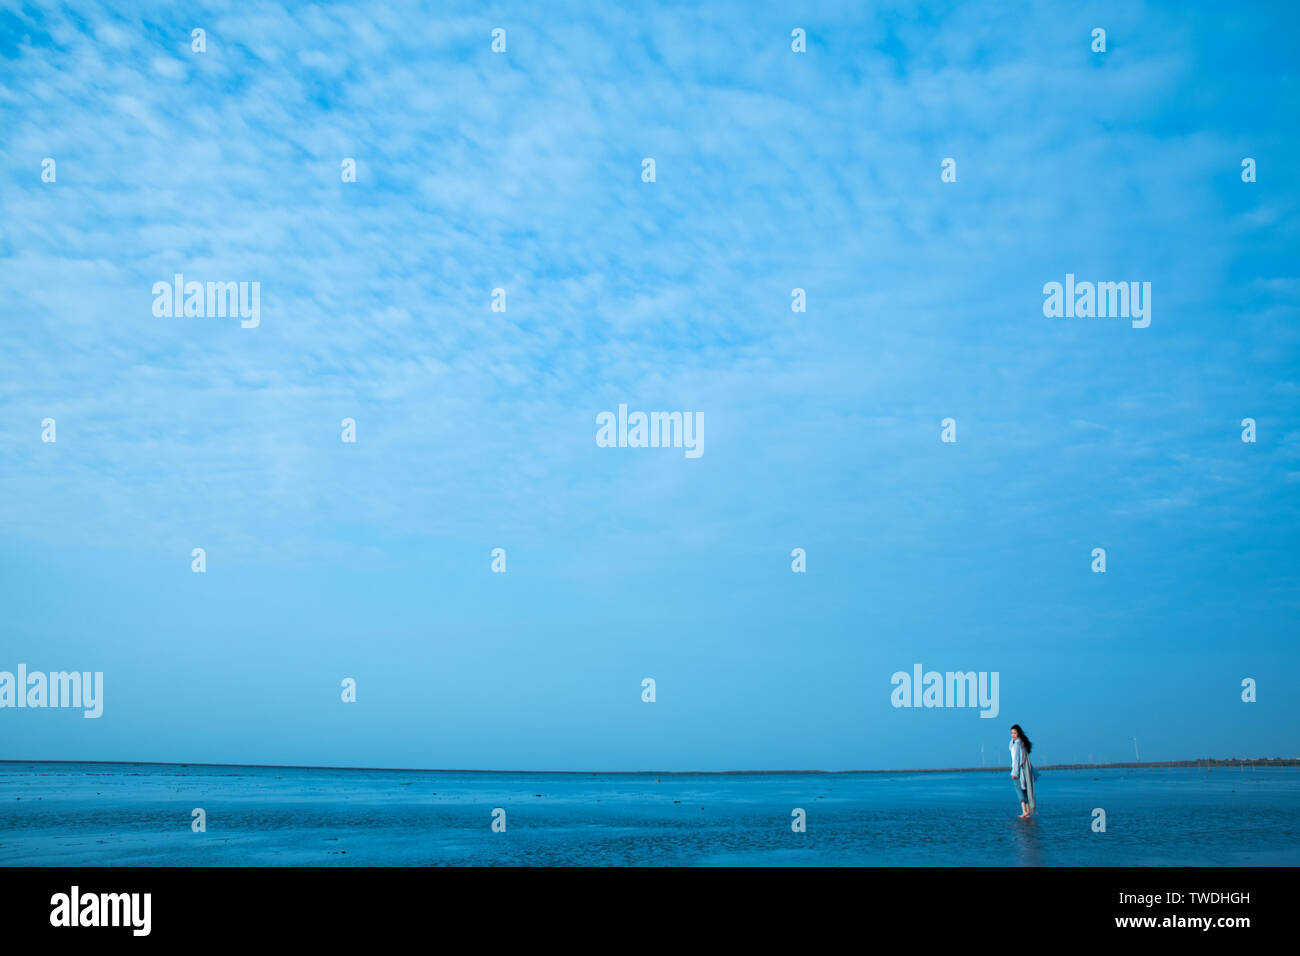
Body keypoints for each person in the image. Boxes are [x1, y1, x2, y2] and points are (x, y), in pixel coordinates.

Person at [1009, 724, 1038, 819]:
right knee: (1024, 789)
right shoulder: (1020, 743)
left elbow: (1016, 759)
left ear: (1018, 733)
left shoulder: (1017, 743)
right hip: (1023, 770)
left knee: (1019, 790)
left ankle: (1025, 811)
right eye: (1012, 733)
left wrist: (1014, 772)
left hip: (1018, 770)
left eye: (1015, 733)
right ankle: (1027, 811)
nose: (1013, 735)